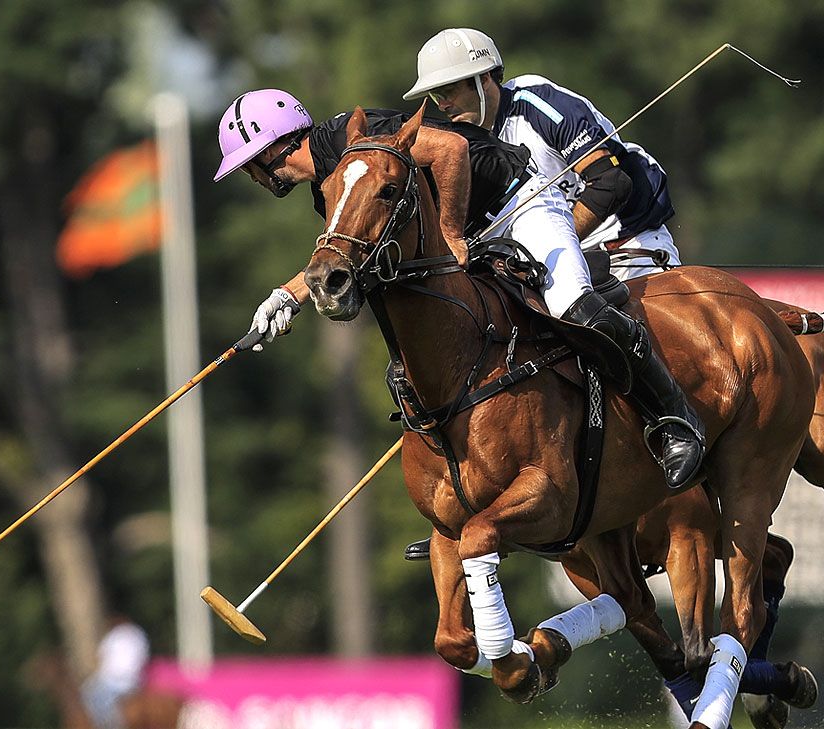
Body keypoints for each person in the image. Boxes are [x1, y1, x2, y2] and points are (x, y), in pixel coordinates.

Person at [214, 89, 703, 489]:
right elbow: (348, 252)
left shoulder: (349, 140)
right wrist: (287, 296)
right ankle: (469, 489)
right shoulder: (333, 181)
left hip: (522, 202)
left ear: (271, 150)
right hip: (479, 230)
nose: (254, 178)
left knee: (574, 306)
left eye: (249, 167)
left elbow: (451, 150)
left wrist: (450, 235)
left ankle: (674, 420)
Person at [403, 27, 681, 282]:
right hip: (555, 264)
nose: (443, 105)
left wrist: (551, 244)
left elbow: (611, 184)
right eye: (436, 96)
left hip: (628, 248)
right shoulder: (465, 144)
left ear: (484, 78)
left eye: (448, 91)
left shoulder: (538, 105)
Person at [80, 613, 150, 729]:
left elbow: (102, 657)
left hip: (114, 681)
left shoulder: (114, 636)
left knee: (88, 693)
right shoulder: (138, 634)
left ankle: (109, 724)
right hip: (135, 680)